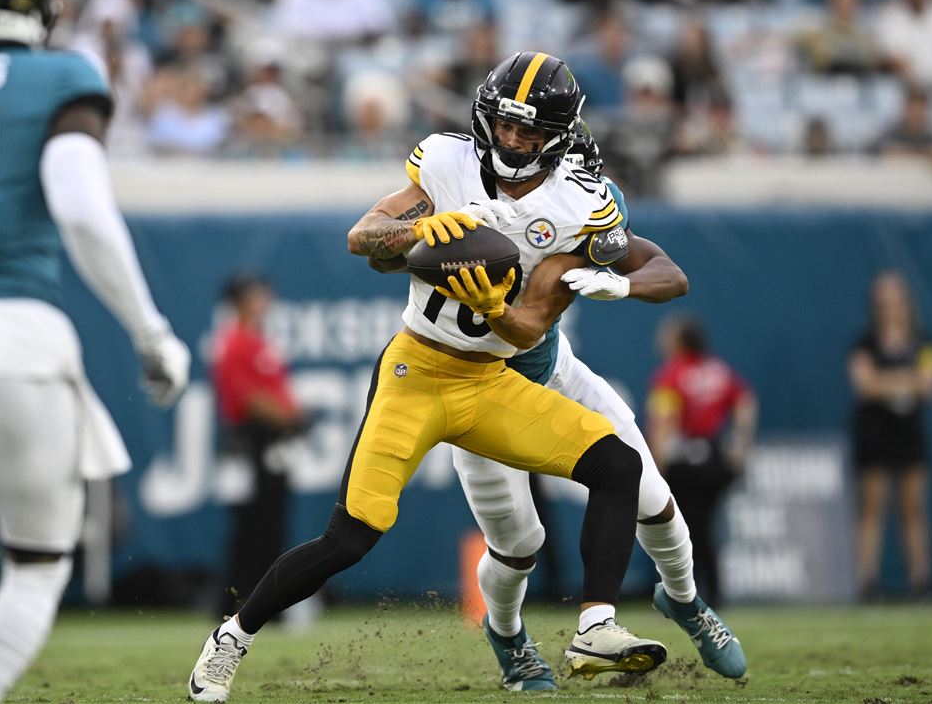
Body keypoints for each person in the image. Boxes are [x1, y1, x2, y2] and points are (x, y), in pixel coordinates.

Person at [187, 51, 666, 702]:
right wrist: (417, 229)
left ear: (556, 138)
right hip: (416, 370)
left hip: (490, 379)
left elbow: (528, 331)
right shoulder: (447, 163)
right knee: (349, 538)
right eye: (504, 124)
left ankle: (595, 628)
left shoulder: (573, 205)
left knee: (617, 464)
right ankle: (232, 637)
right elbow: (363, 236)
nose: (512, 139)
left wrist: (495, 307)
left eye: (528, 131)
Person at [0, 0, 190, 704]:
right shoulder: (60, 74)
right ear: (40, 2)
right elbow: (79, 206)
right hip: (19, 341)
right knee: (38, 564)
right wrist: (150, 332)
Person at [449, 125, 747, 691]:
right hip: (480, 394)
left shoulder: (576, 211)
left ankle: (686, 602)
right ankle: (507, 636)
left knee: (652, 496)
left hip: (553, 373)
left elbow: (671, 273)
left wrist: (625, 286)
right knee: (518, 547)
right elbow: (519, 324)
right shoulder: (463, 197)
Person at [212, 273, 308, 617]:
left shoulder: (259, 340)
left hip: (273, 441)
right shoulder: (234, 342)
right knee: (253, 525)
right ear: (240, 301)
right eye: (256, 295)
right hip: (253, 441)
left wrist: (293, 416)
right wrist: (288, 418)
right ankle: (239, 601)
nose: (264, 300)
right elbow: (248, 399)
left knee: (273, 522)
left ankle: (267, 601)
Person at [647, 316, 758, 609]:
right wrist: (740, 443)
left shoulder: (672, 374)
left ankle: (686, 595)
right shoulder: (717, 369)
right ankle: (713, 592)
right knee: (704, 528)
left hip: (685, 461)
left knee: (684, 531)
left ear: (679, 341)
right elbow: (745, 400)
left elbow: (663, 422)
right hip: (714, 457)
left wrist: (658, 466)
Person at [848, 271, 932, 601]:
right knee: (872, 509)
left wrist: (886, 381)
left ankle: (921, 581)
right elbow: (864, 385)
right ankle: (868, 583)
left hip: (909, 433)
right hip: (875, 433)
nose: (889, 305)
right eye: (882, 299)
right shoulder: (865, 343)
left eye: (895, 298)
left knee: (914, 509)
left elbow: (930, 385)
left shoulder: (924, 342)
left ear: (906, 302)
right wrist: (908, 380)